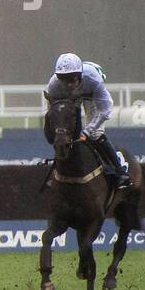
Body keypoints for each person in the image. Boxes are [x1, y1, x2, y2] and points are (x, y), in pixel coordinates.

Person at [44, 52, 132, 190]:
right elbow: (52, 113)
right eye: (64, 80)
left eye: (72, 79)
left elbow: (105, 108)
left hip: (92, 97)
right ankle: (59, 173)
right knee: (62, 135)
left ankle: (119, 171)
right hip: (69, 100)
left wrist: (88, 131)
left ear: (79, 75)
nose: (69, 84)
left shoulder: (92, 78)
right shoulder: (54, 85)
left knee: (95, 134)